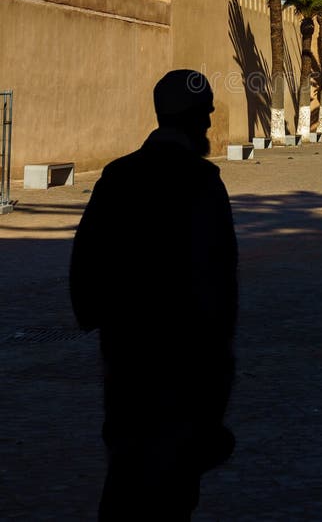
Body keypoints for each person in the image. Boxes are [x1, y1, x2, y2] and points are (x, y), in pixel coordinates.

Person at [70, 69, 238, 522]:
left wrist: (103, 320)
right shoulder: (202, 182)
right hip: (185, 360)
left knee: (126, 471)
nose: (208, 123)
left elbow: (85, 260)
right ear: (190, 120)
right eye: (205, 114)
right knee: (173, 488)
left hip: (127, 356)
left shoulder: (118, 176)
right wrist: (218, 355)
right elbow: (218, 275)